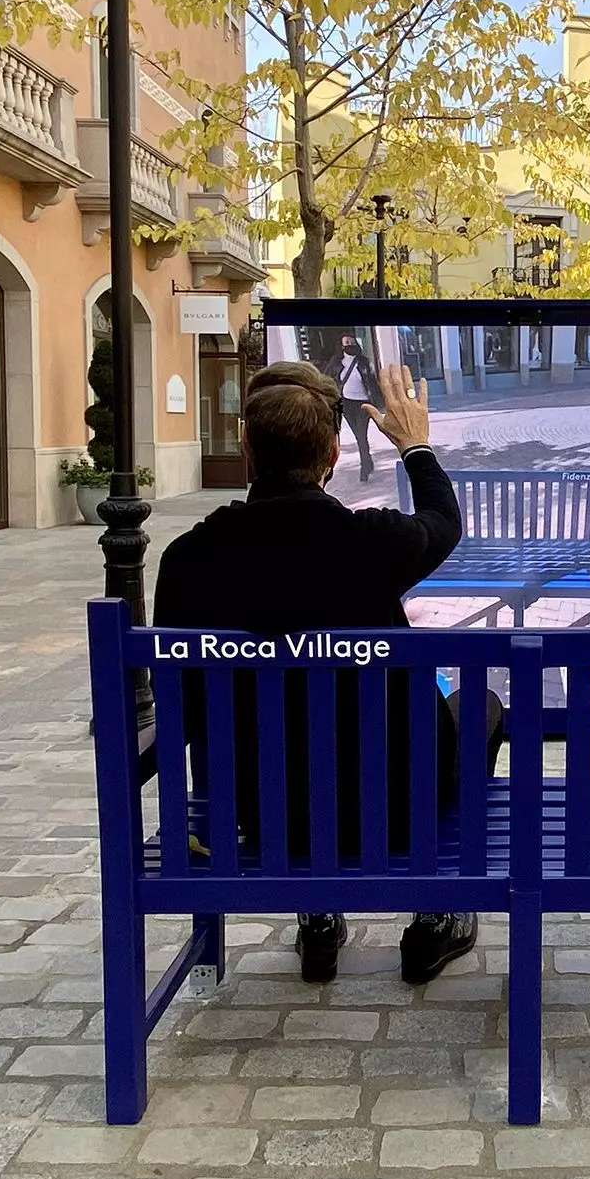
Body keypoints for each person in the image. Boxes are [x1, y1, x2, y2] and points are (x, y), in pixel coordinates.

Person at [152, 359, 493, 985]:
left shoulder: (190, 559)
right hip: (395, 810)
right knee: (483, 706)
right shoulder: (373, 544)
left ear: (247, 447)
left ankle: (317, 913)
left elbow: (184, 707)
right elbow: (446, 523)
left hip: (265, 814)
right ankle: (437, 912)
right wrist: (416, 445)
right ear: (334, 452)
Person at [334, 334, 378, 482]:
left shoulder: (364, 362)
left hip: (363, 403)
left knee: (361, 434)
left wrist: (378, 403)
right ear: (342, 346)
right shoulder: (337, 363)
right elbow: (329, 379)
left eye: (352, 342)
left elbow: (373, 383)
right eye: (346, 343)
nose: (349, 344)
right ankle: (368, 461)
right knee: (358, 436)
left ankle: (364, 469)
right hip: (347, 404)